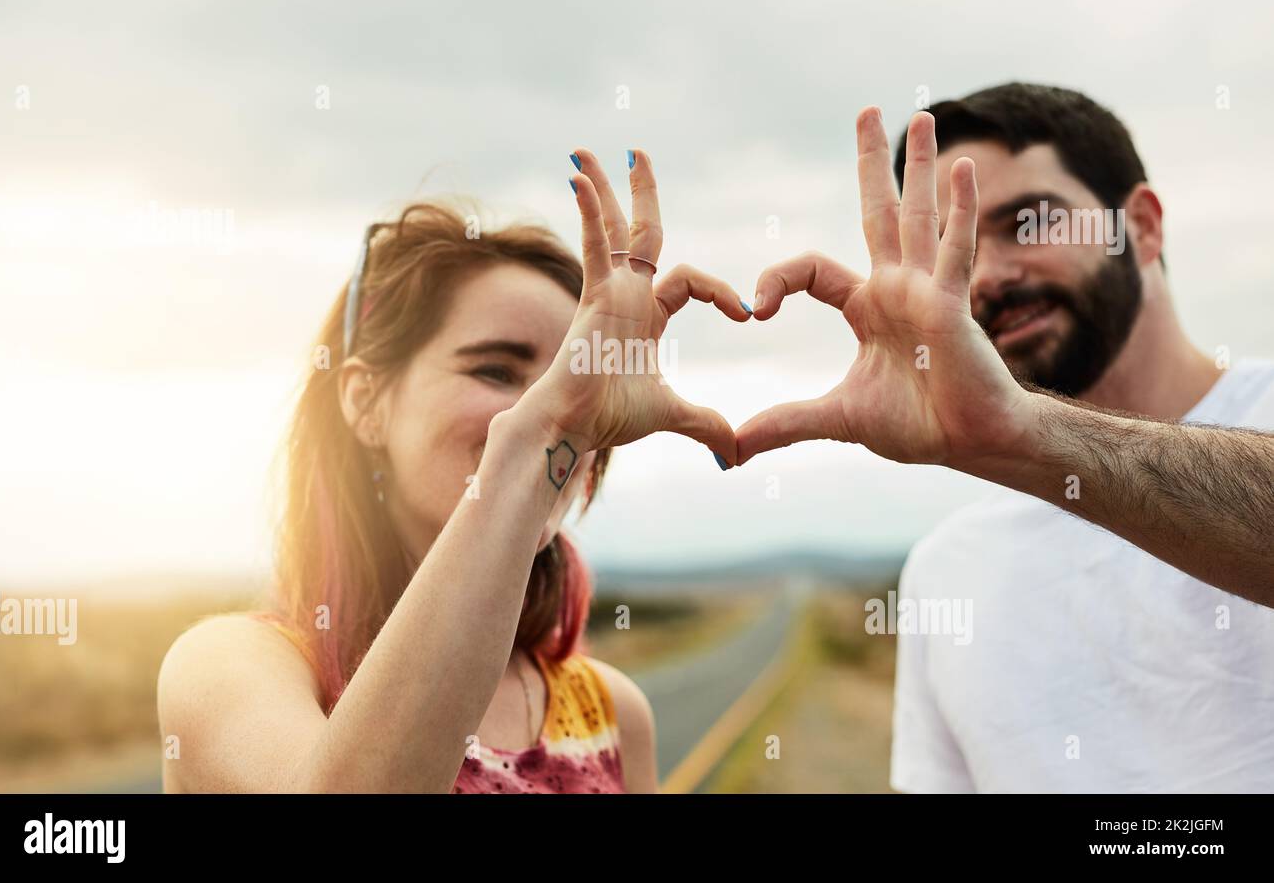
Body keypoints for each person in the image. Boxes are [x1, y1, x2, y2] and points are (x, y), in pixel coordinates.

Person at [156, 148, 751, 793]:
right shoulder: (231, 670)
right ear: (365, 402)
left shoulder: (612, 713)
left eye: (579, 381)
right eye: (496, 370)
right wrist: (533, 446)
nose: (554, 411)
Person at [731, 84, 1274, 790]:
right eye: (959, 245)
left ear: (1140, 226)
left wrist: (1026, 437)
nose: (987, 276)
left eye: (1032, 222)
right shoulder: (944, 571)